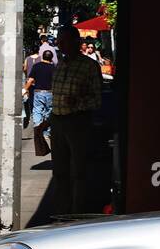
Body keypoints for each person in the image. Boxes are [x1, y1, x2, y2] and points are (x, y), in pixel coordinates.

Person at [50, 25, 102, 216]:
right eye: (58, 41)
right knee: (59, 171)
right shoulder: (60, 64)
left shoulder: (89, 66)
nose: (60, 45)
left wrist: (78, 102)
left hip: (77, 122)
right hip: (57, 121)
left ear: (75, 42)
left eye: (63, 41)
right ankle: (61, 211)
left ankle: (78, 212)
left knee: (79, 171)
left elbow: (97, 100)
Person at [23, 49, 56, 142]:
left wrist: (24, 89)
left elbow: (30, 80)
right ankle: (46, 132)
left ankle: (38, 131)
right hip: (50, 92)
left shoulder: (37, 66)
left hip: (38, 92)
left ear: (42, 57)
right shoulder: (53, 68)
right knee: (48, 112)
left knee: (37, 111)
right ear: (51, 58)